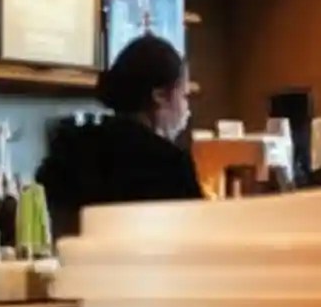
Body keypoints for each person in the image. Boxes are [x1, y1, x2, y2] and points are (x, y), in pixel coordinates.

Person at [36, 34, 201, 238]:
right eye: (184, 96)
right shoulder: (172, 165)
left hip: (77, 268)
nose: (187, 109)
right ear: (159, 96)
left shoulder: (68, 149)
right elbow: (196, 242)